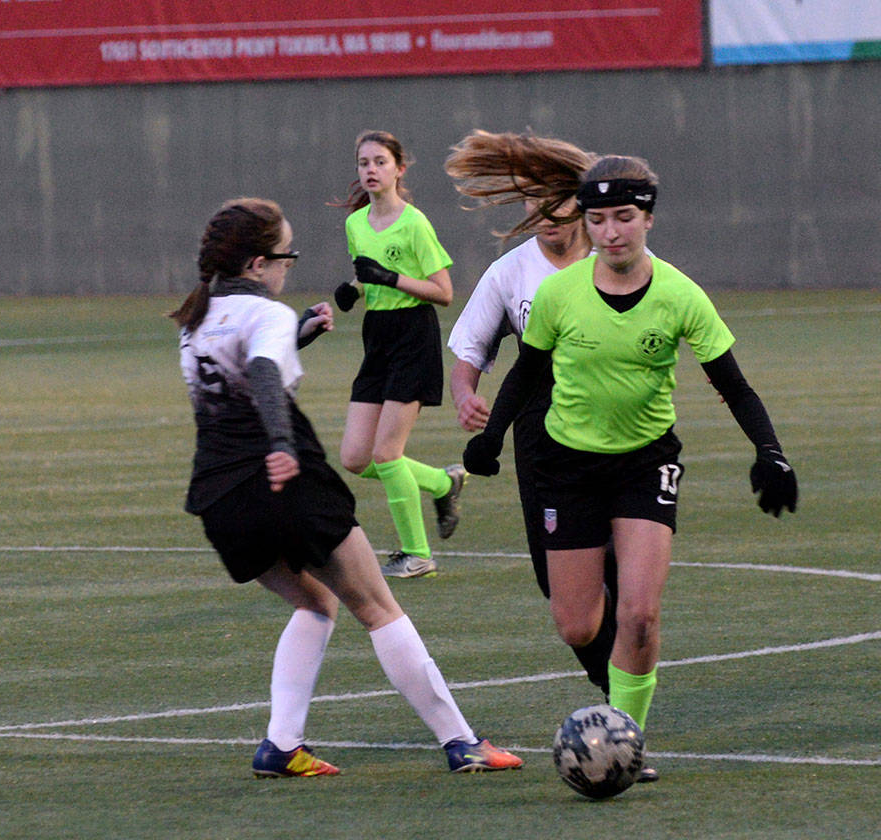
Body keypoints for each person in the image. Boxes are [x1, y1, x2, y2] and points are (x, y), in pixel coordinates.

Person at [462, 155, 798, 768]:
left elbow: (735, 385)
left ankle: (624, 743)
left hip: (645, 464)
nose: (611, 231)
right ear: (587, 225)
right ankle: (616, 702)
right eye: (598, 219)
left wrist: (769, 452)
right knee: (578, 626)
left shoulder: (678, 294)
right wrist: (489, 438)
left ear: (648, 218)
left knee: (640, 613)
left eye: (624, 217)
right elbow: (525, 372)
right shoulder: (560, 292)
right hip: (567, 466)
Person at [172, 197, 523, 777]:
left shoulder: (197, 321)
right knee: (378, 607)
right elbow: (260, 374)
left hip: (217, 496)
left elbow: (244, 365)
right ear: (259, 263)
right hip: (286, 478)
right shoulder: (267, 316)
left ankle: (281, 747)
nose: (290, 266)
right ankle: (462, 741)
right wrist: (282, 443)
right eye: (286, 255)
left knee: (316, 602)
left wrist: (299, 332)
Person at [443, 130, 623, 698]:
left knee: (622, 577)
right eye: (532, 201)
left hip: (619, 433)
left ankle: (623, 701)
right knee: (560, 585)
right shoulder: (511, 272)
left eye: (557, 200)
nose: (544, 213)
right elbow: (469, 348)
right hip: (542, 441)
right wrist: (466, 395)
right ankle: (613, 686)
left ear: (581, 202)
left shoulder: (613, 258)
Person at [331, 130, 465, 580]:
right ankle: (443, 483)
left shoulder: (414, 223)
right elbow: (367, 276)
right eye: (363, 162)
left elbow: (443, 292)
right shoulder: (355, 224)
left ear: (399, 169)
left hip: (413, 336)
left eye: (380, 162)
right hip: (378, 338)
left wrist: (389, 279)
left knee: (387, 454)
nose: (370, 169)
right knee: (355, 457)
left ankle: (417, 554)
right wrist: (353, 291)